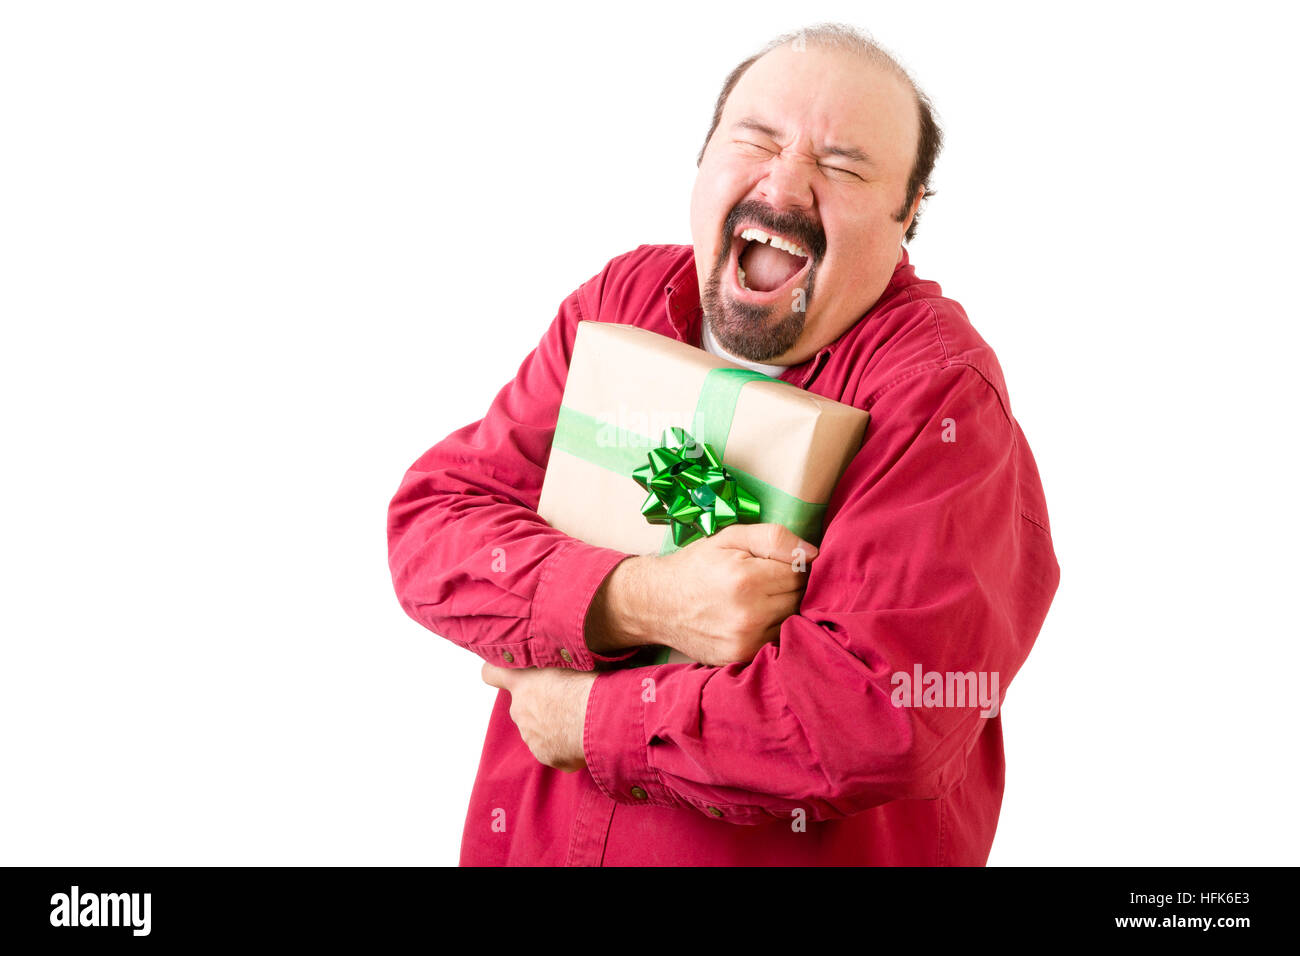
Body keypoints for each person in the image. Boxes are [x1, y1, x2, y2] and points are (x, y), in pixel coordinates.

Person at [386, 22, 1060, 866]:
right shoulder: (624, 298)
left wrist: (592, 724)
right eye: (756, 139)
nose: (784, 185)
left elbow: (882, 716)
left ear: (908, 214)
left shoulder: (941, 397)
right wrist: (639, 599)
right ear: (705, 160)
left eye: (844, 165)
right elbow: (433, 525)